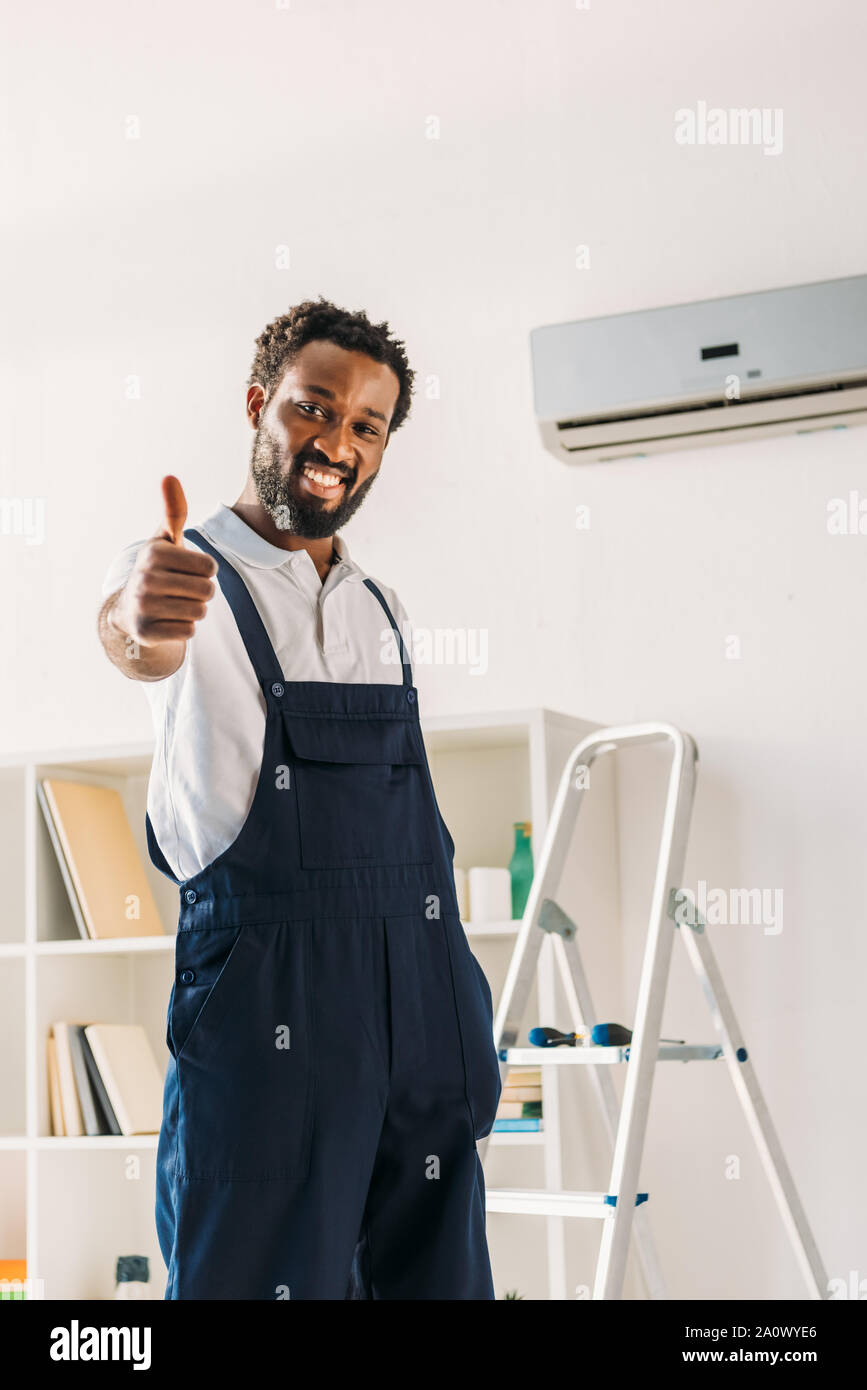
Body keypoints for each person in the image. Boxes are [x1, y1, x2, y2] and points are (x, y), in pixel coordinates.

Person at [97, 297, 502, 1300]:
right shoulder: (183, 570)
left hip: (419, 1006)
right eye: (314, 409)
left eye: (367, 426)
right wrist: (137, 614)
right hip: (268, 1013)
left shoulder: (382, 608)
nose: (337, 442)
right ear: (258, 405)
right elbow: (131, 633)